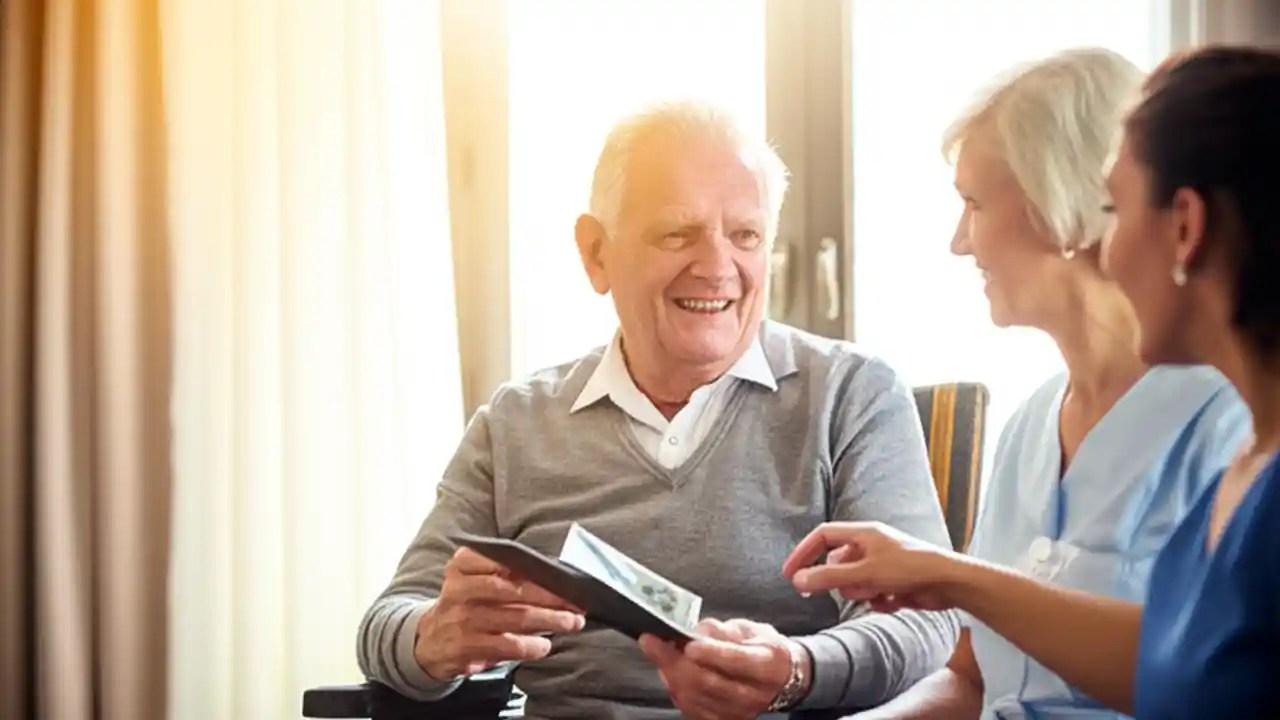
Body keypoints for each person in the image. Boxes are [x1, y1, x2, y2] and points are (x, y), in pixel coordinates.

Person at [357, 101, 958, 719]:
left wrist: (797, 669)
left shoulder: (852, 395)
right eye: (677, 233)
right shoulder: (516, 424)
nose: (717, 268)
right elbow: (387, 622)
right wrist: (434, 637)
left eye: (746, 236)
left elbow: (923, 623)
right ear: (596, 253)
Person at [785, 45, 1280, 719]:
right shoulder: (1031, 423)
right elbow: (973, 678)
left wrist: (949, 574)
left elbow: (1183, 672)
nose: (959, 242)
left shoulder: (1236, 435)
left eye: (974, 203)